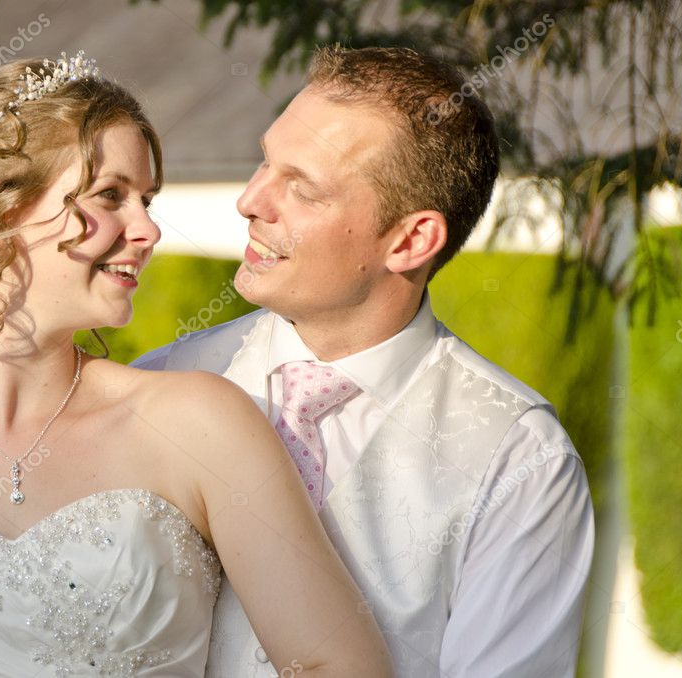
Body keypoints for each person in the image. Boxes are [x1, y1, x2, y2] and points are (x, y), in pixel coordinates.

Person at [0, 52, 393, 678]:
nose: (148, 231)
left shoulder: (199, 422)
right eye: (111, 195)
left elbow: (337, 663)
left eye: (147, 199)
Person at [134, 45, 595, 677]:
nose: (250, 200)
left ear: (410, 240)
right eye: (266, 162)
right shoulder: (155, 385)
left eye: (302, 188)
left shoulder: (520, 459)